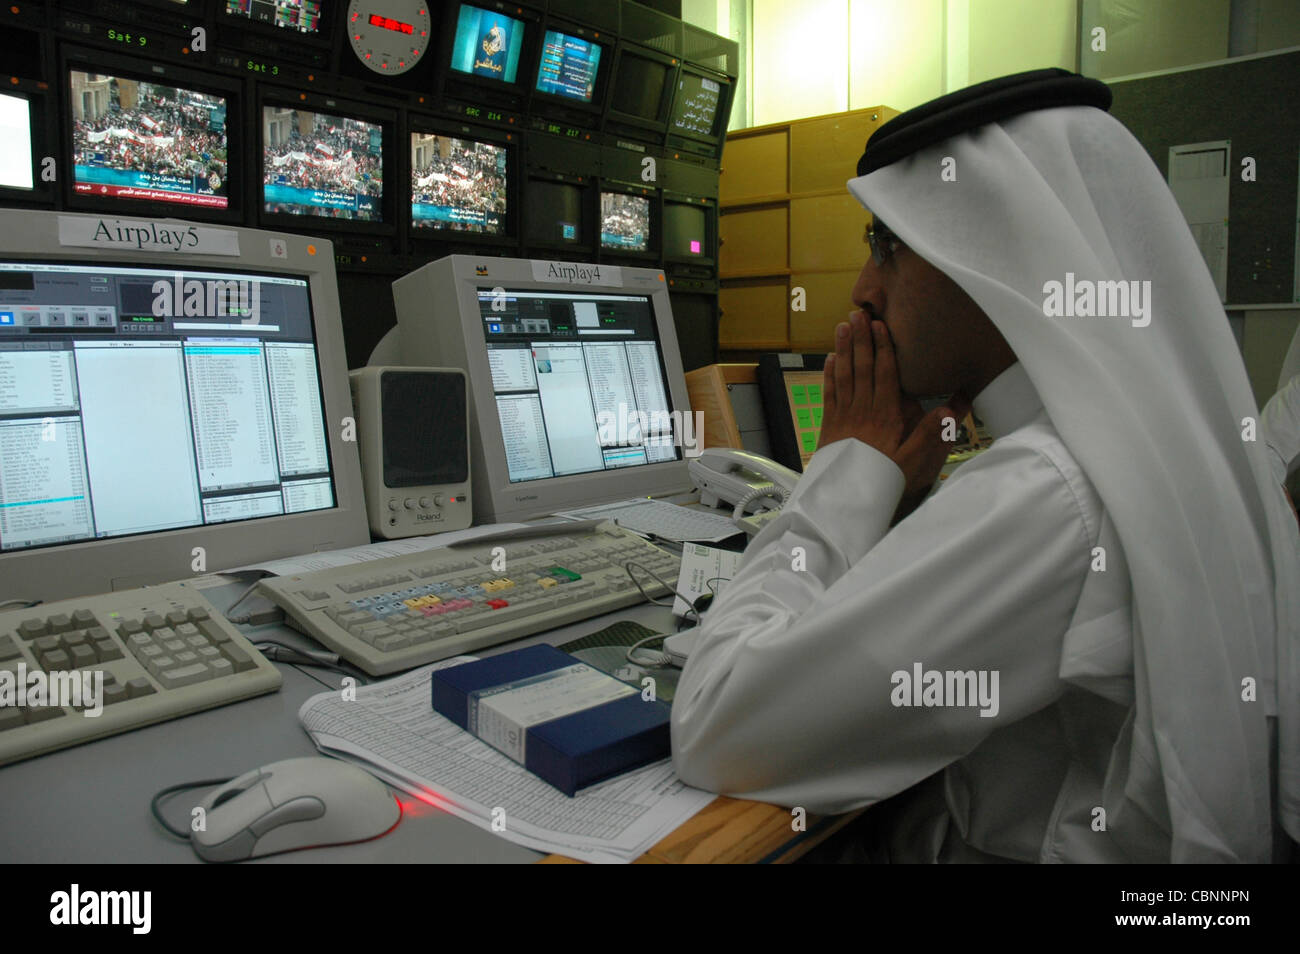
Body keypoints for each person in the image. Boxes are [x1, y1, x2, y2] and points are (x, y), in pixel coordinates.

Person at [669, 69, 1300, 863]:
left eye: (888, 247)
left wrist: (845, 469)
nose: (864, 291)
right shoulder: (1160, 444)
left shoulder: (1051, 492)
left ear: (993, 254)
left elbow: (720, 728)